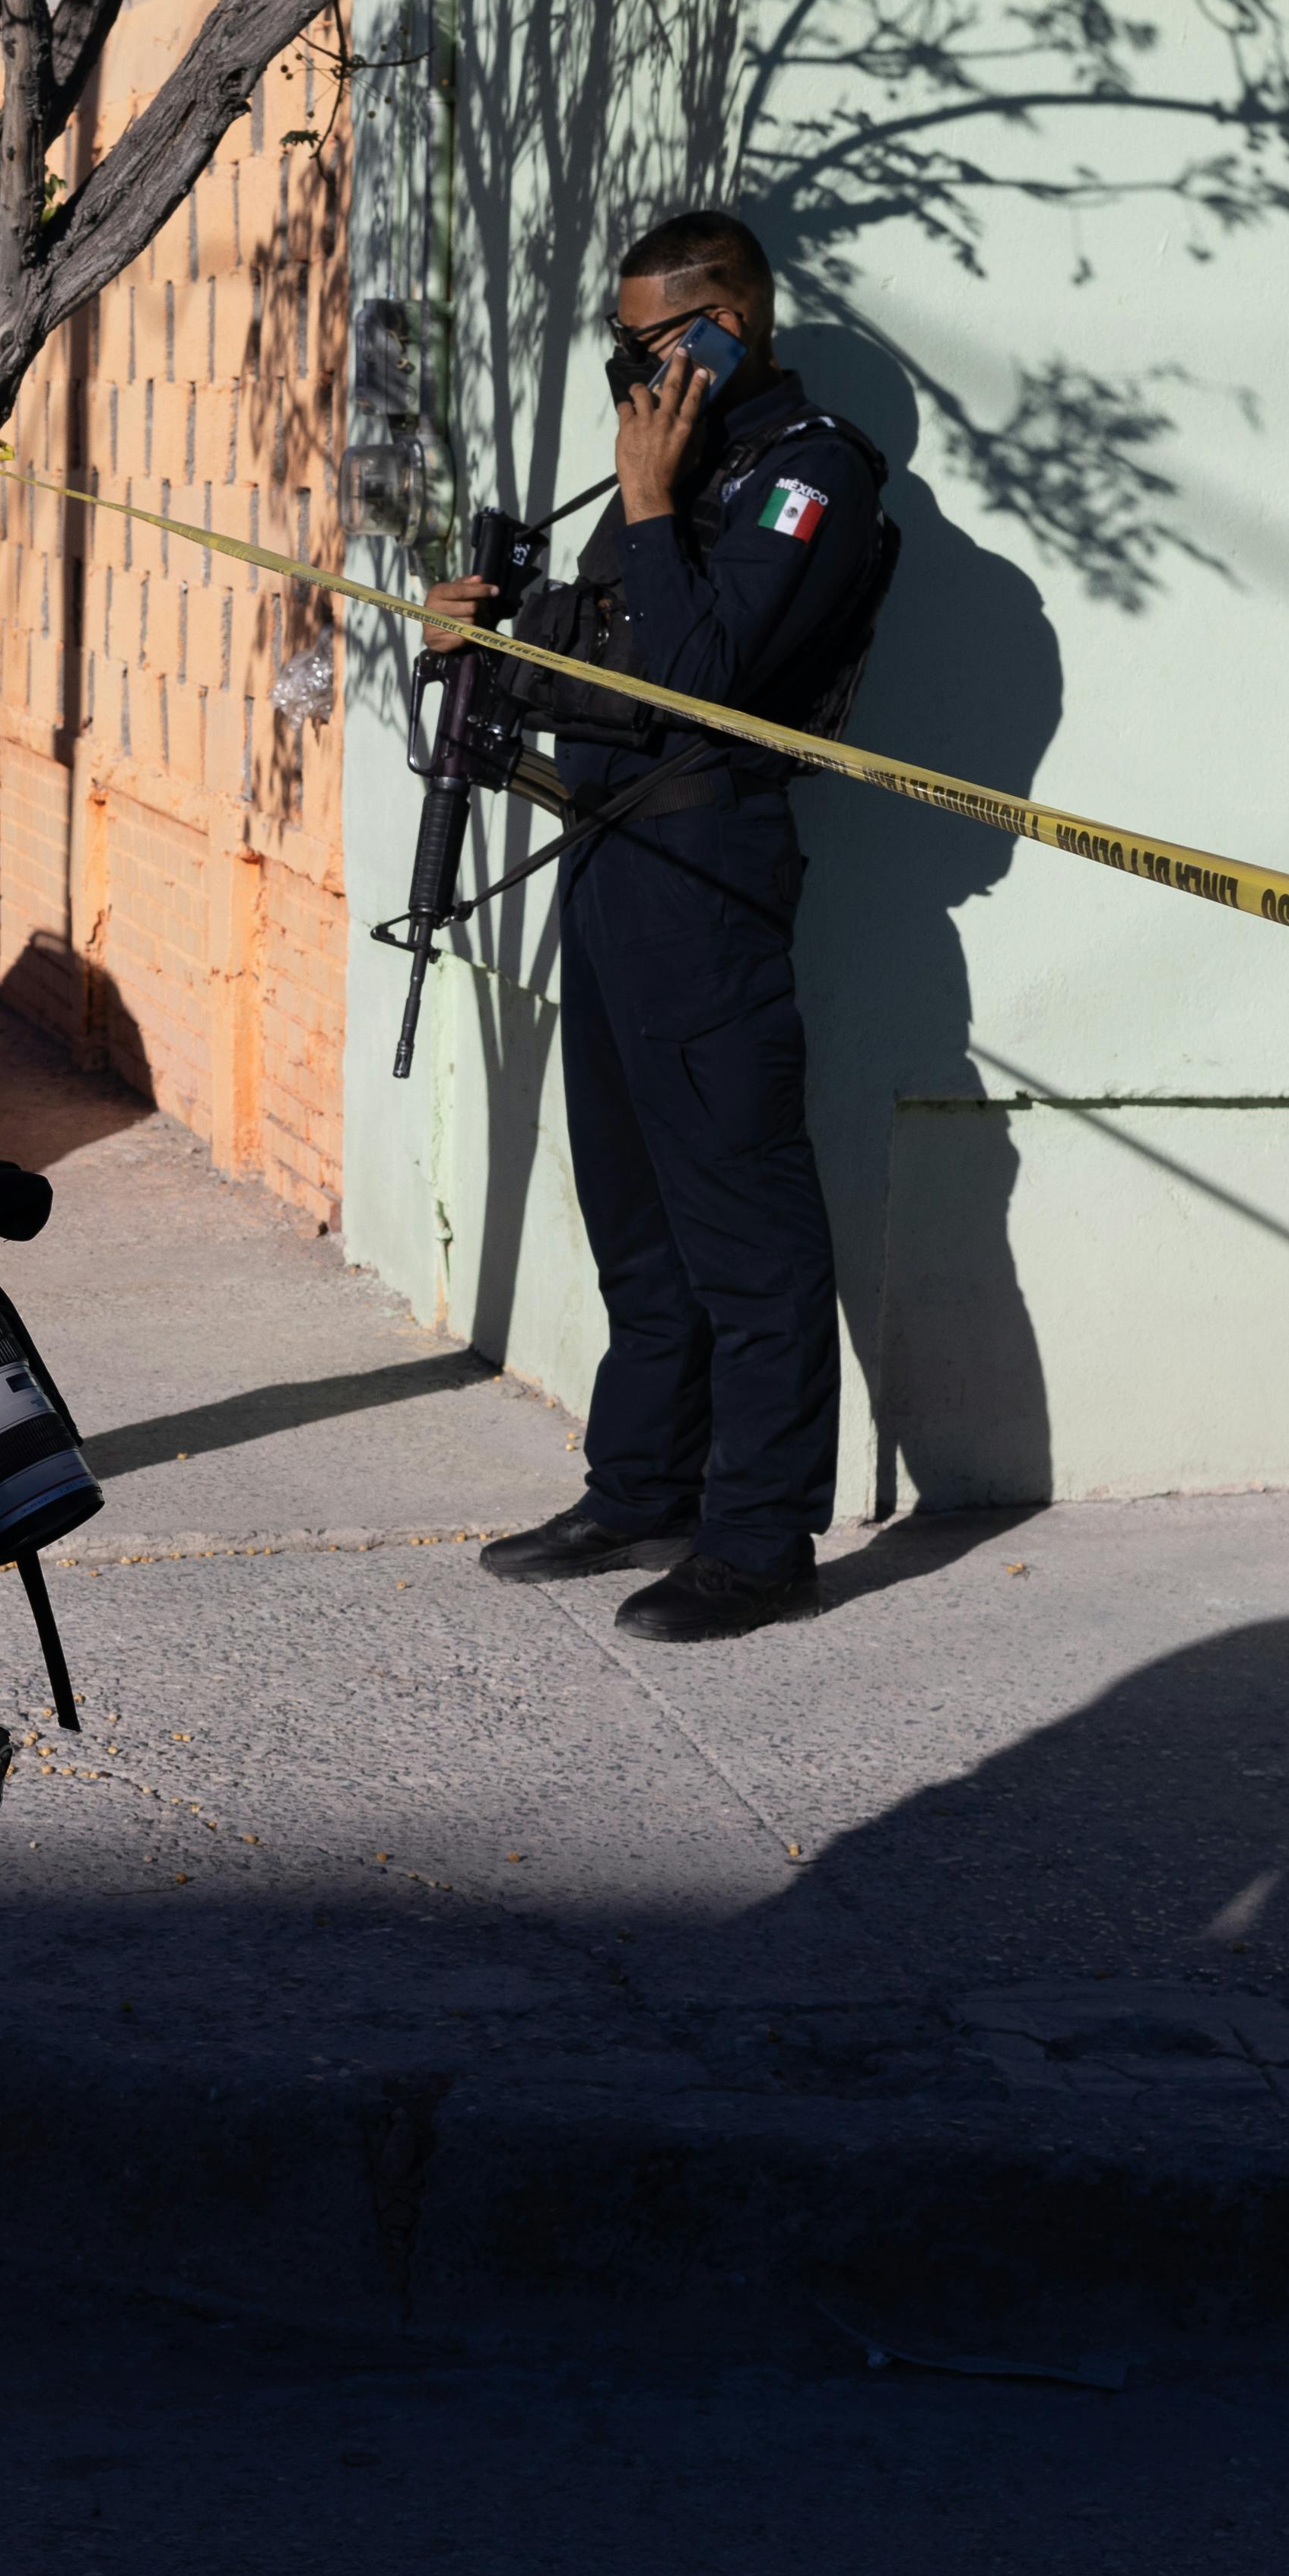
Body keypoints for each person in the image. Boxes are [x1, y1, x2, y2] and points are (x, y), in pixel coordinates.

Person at [459, 208, 898, 1642]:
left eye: (642, 339)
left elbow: (701, 672)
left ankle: (761, 1538)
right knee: (636, 1212)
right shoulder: (668, 467)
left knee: (745, 1227)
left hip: (709, 880)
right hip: (608, 870)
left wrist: (650, 509)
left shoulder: (807, 471)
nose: (621, 365)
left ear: (726, 328)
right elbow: (605, 657)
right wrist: (491, 637)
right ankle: (641, 1483)